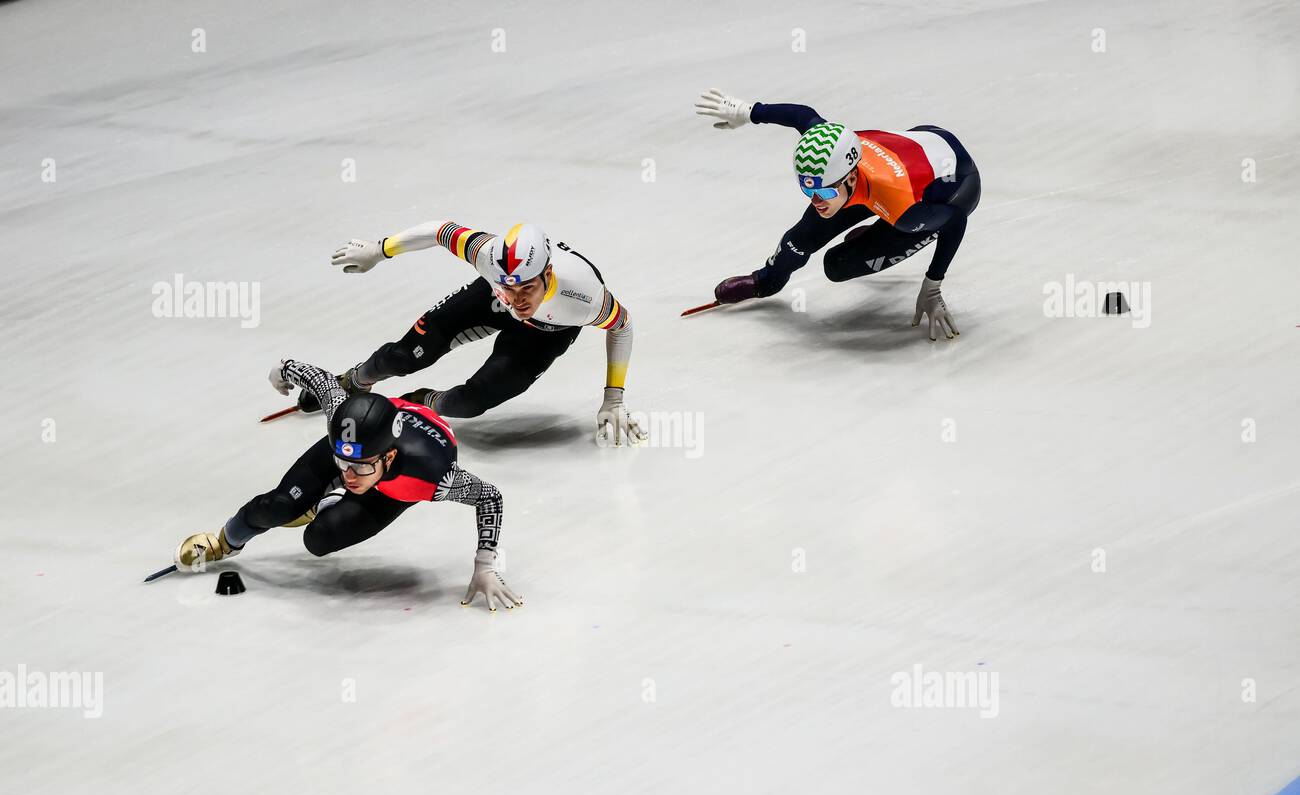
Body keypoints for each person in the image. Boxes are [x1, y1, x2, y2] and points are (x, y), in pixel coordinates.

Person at [173, 359, 521, 611]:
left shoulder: (434, 476)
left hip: (393, 487)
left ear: (388, 457)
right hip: (361, 449)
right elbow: (323, 381)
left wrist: (485, 565)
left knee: (319, 540)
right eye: (344, 466)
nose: (349, 474)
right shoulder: (344, 420)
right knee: (278, 505)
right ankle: (225, 541)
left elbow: (489, 497)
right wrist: (282, 370)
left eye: (360, 467)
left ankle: (322, 504)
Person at [297, 220, 644, 444]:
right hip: (487, 299)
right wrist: (380, 249)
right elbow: (439, 231)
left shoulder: (582, 297)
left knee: (469, 403)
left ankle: (415, 402)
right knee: (403, 356)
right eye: (509, 287)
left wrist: (614, 398)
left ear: (548, 276)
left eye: (526, 289)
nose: (517, 301)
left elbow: (622, 326)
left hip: (548, 330)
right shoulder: (488, 256)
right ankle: (352, 381)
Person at [694, 88, 981, 341]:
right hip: (918, 143)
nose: (817, 200)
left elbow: (955, 220)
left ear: (851, 178)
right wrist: (748, 112)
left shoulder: (902, 206)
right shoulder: (832, 147)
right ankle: (767, 280)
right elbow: (803, 116)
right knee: (800, 238)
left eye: (826, 192)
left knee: (838, 265)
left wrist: (933, 284)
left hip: (955, 188)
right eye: (809, 190)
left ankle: (884, 231)